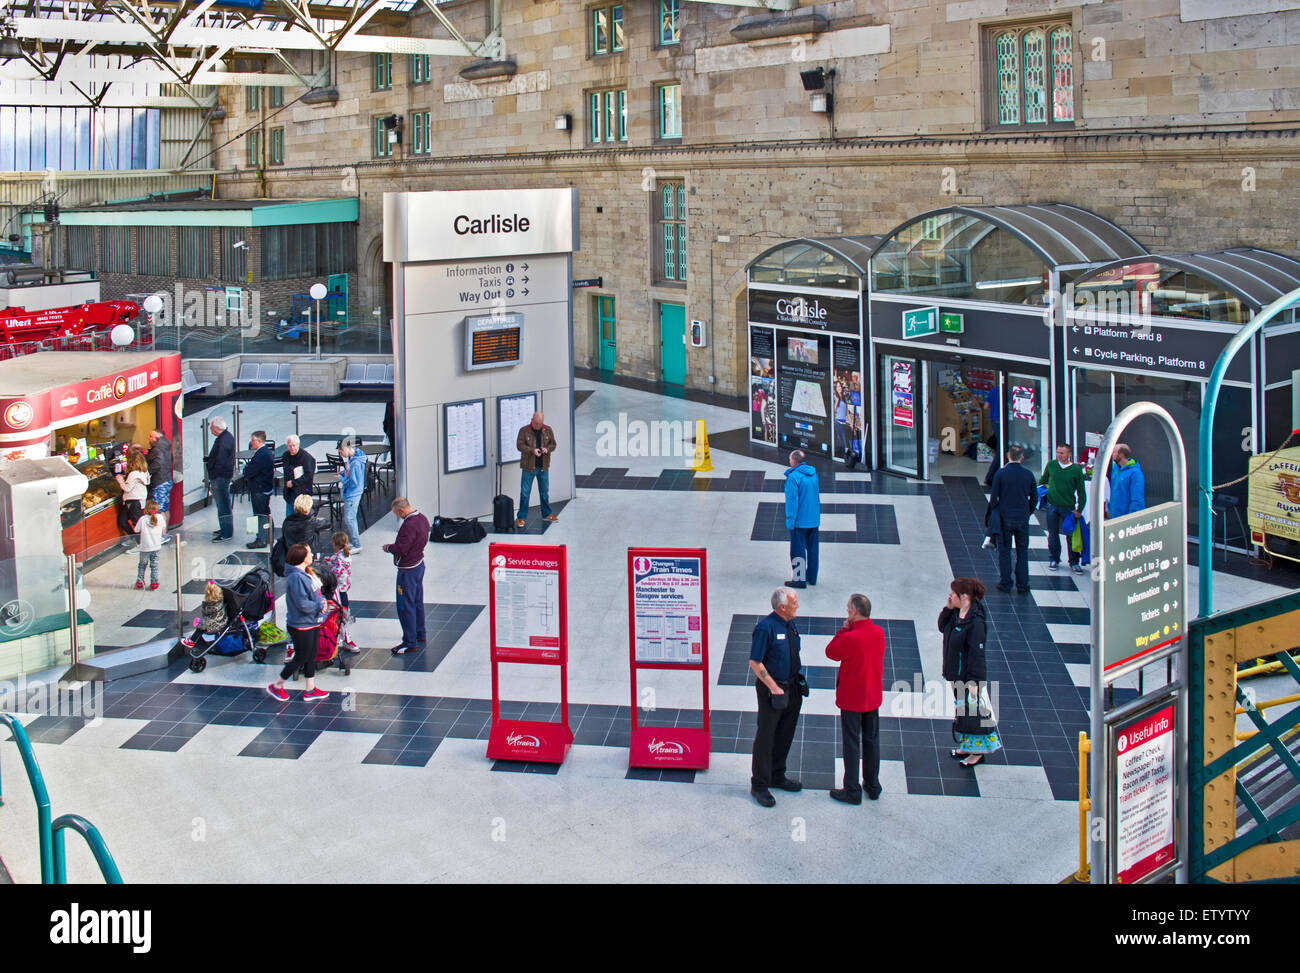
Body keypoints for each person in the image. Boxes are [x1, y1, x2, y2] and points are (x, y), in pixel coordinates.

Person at [826, 593, 886, 804]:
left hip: (852, 698)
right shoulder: (878, 632)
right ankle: (872, 784)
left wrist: (844, 629)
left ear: (854, 611)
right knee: (872, 741)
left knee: (851, 743)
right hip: (872, 696)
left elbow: (831, 652)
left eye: (848, 609)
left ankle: (852, 790)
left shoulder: (850, 637)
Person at [748, 586, 804, 808]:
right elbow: (755, 662)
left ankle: (777, 775)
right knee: (766, 736)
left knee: (785, 734)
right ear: (782, 607)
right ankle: (760, 784)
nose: (797, 606)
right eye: (794, 603)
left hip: (792, 688)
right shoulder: (765, 628)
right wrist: (773, 687)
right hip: (773, 691)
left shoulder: (790, 624)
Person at [940, 577, 1001, 767]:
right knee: (962, 710)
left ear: (964, 596)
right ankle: (967, 745)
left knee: (972, 713)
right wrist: (948, 608)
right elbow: (942, 627)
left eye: (953, 594)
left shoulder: (976, 623)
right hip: (955, 673)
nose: (950, 596)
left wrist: (975, 681)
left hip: (967, 677)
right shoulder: (958, 613)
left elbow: (977, 654)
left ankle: (977, 752)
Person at [266, 544, 330, 702]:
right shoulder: (296, 578)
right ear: (301, 557)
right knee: (301, 656)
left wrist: (322, 602)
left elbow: (318, 592)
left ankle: (310, 688)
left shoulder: (307, 572)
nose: (312, 554)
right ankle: (277, 685)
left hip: (312, 621)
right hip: (301, 624)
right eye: (309, 553)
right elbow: (302, 603)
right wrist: (318, 606)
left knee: (311, 654)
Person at [987, 445, 1039, 594]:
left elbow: (994, 497)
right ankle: (1022, 585)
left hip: (1005, 517)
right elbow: (1034, 498)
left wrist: (997, 510)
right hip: (1022, 517)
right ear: (1022, 457)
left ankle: (1006, 583)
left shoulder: (1001, 474)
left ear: (1008, 455)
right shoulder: (1028, 475)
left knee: (1005, 550)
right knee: (1022, 551)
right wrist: (1028, 511)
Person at [382, 497, 430, 655]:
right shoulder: (422, 519)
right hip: (419, 565)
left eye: (397, 513)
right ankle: (420, 633)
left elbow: (401, 548)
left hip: (407, 570)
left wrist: (389, 548)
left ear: (401, 511)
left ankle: (410, 642)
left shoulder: (408, 526)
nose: (398, 516)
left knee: (405, 605)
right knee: (417, 601)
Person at [1039, 442, 1088, 574]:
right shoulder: (1051, 465)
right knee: (1053, 534)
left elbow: (1081, 492)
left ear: (1069, 454)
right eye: (1058, 452)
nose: (1059, 455)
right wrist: (1042, 495)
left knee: (1071, 535)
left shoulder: (1076, 470)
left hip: (1068, 508)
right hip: (1052, 506)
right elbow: (1042, 481)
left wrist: (1079, 509)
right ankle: (1054, 558)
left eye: (1062, 453)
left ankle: (1074, 561)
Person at [784, 449, 820, 588]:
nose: (789, 461)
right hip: (813, 519)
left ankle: (799, 580)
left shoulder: (793, 478)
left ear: (794, 461)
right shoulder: (813, 474)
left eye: (790, 459)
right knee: (812, 550)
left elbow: (792, 502)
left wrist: (790, 521)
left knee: (797, 551)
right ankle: (812, 577)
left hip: (800, 521)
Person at [516, 412, 558, 527]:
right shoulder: (524, 431)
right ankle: (521, 517)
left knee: (544, 492)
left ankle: (547, 514)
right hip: (528, 467)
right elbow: (519, 445)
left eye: (540, 423)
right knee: (525, 493)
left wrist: (547, 449)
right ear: (532, 420)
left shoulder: (547, 430)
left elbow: (553, 444)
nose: (538, 425)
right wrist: (532, 450)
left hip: (543, 467)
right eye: (536, 423)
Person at [322, 531, 358, 653]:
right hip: (343, 588)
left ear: (335, 544)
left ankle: (342, 637)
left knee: (340, 612)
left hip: (338, 589)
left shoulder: (340, 557)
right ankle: (343, 637)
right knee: (342, 610)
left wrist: (328, 566)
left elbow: (337, 570)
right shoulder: (344, 555)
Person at [272, 494, 319, 577]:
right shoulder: (311, 522)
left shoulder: (287, 521)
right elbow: (327, 524)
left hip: (292, 554)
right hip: (307, 555)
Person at [243, 430, 275, 549]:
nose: (251, 443)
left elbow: (249, 471)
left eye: (252, 440)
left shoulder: (261, 455)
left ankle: (260, 539)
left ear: (258, 441)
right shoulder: (265, 452)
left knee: (259, 514)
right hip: (263, 487)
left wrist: (246, 470)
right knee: (265, 512)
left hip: (259, 488)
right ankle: (267, 536)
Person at [205, 417, 235, 540]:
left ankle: (226, 532)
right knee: (224, 504)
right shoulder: (227, 437)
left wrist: (212, 472)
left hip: (220, 477)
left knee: (223, 504)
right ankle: (225, 528)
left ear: (217, 428)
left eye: (211, 427)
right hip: (223, 476)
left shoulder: (223, 442)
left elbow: (220, 462)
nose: (210, 429)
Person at [181, 581, 228, 649]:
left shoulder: (209, 606)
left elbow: (208, 619)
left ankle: (191, 641)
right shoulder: (220, 601)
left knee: (200, 628)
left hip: (215, 626)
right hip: (222, 621)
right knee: (202, 624)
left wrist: (200, 623)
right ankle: (195, 639)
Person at [338, 440, 366, 553]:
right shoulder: (355, 458)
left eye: (341, 452)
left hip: (352, 494)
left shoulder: (355, 463)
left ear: (346, 449)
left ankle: (357, 544)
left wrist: (342, 479)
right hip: (354, 493)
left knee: (350, 519)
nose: (341, 455)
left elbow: (354, 482)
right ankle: (355, 542)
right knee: (351, 518)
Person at [114, 450, 150, 535]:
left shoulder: (133, 474)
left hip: (134, 502)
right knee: (122, 520)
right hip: (138, 501)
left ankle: (141, 542)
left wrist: (120, 480)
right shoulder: (144, 472)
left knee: (136, 524)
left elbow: (127, 488)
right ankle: (134, 538)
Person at [280, 435, 317, 518]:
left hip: (302, 492)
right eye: (290, 446)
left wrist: (293, 482)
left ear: (298, 444)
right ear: (287, 446)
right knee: (289, 516)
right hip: (290, 492)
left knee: (302, 516)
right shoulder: (285, 456)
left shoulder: (306, 457)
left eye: (294, 445)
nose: (292, 448)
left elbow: (309, 475)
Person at [1107, 444, 1147, 518]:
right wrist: (1109, 508)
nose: (1112, 455)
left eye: (1114, 452)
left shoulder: (1135, 473)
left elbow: (1137, 498)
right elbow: (1112, 491)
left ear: (1121, 455)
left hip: (1126, 517)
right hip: (1114, 515)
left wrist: (1131, 518)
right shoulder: (1116, 469)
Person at [133, 500, 164, 590]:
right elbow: (163, 528)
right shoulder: (160, 518)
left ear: (146, 509)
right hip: (156, 546)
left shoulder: (143, 519)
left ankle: (140, 581)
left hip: (145, 547)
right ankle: (154, 582)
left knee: (142, 565)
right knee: (154, 565)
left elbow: (136, 530)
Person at [146, 429, 173, 514]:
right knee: (165, 509)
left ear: (156, 438)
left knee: (158, 512)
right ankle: (165, 527)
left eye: (151, 436)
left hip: (159, 483)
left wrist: (146, 472)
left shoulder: (157, 449)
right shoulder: (165, 447)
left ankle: (161, 528)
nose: (148, 438)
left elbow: (157, 464)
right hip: (166, 480)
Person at [983, 385, 1001, 487]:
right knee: (1001, 450)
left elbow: (986, 406)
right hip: (1001, 422)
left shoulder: (993, 390)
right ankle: (990, 477)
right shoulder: (1007, 391)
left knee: (999, 444)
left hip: (993, 421)